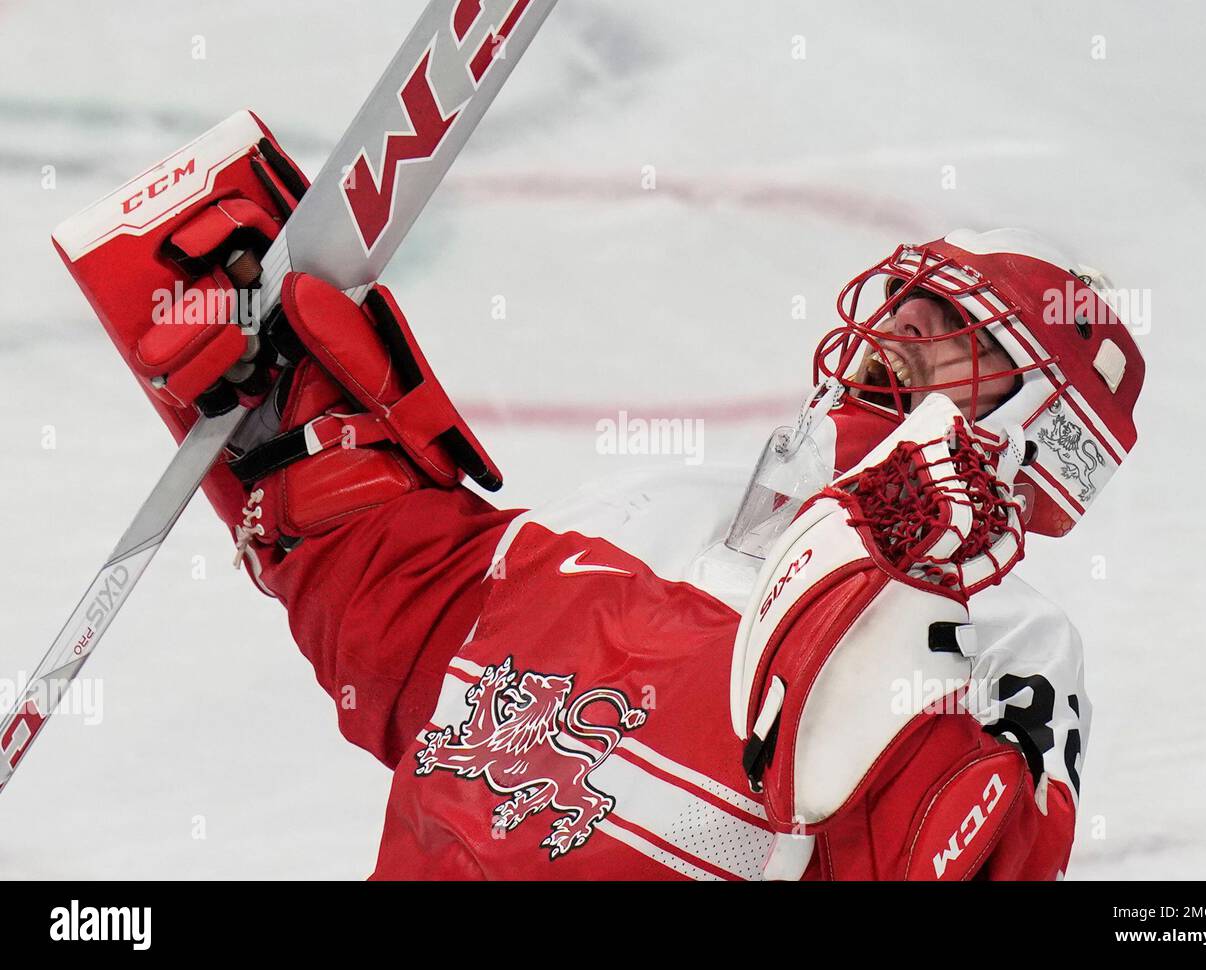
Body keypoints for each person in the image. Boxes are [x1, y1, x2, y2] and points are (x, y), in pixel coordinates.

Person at [54, 113, 1144, 880]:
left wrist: (882, 597)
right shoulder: (656, 508)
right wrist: (298, 443)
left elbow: (955, 849)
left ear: (1039, 430)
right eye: (906, 302)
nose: (902, 330)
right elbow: (423, 646)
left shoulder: (1009, 639)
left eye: (959, 335)